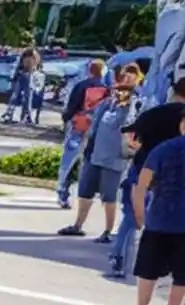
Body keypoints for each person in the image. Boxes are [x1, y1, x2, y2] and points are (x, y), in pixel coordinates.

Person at [120, 104, 185, 305]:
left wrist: (140, 214)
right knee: (183, 276)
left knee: (148, 270)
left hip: (159, 218)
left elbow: (141, 185)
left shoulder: (163, 149)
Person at [104, 76, 185, 278]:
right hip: (177, 176)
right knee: (180, 220)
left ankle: (120, 259)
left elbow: (131, 132)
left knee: (132, 215)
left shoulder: (155, 113)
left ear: (173, 91)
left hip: (144, 167)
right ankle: (178, 266)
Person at [57, 65, 141, 241]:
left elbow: (130, 123)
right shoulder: (107, 104)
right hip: (94, 155)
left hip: (114, 159)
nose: (124, 83)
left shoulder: (135, 104)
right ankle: (78, 225)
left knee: (109, 196)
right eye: (123, 78)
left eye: (130, 79)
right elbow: (94, 125)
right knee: (85, 191)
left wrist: (131, 99)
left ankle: (108, 231)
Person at [57, 59, 109, 209]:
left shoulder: (81, 86)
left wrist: (66, 120)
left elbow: (71, 106)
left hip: (77, 126)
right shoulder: (106, 90)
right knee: (87, 162)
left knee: (69, 161)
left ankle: (62, 190)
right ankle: (86, 193)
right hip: (94, 130)